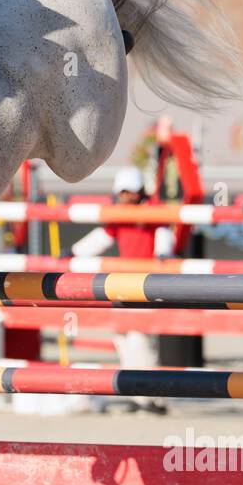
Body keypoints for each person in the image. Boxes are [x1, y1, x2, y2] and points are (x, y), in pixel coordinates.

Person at [72, 166, 168, 414]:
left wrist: (163, 254)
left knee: (142, 343)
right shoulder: (119, 214)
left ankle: (152, 397)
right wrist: (73, 253)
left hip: (147, 286)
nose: (125, 197)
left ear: (139, 192)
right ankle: (135, 395)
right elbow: (102, 237)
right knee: (123, 341)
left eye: (129, 192)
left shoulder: (155, 211)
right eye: (122, 192)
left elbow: (165, 238)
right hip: (122, 287)